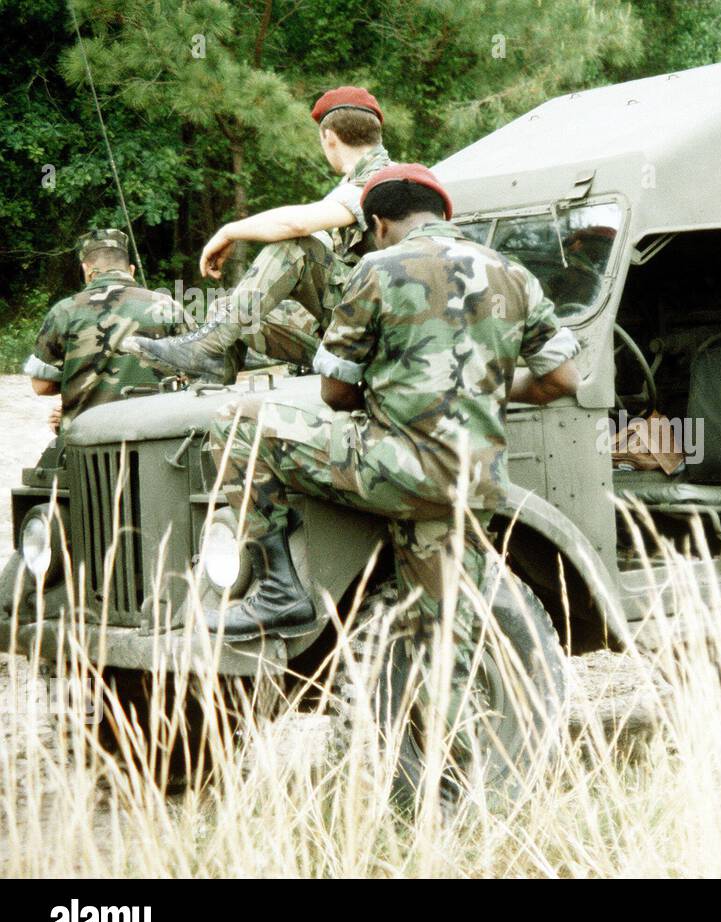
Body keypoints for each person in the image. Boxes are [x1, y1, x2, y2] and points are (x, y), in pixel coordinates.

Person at [206, 163, 580, 659]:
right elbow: (562, 379)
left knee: (234, 424)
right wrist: (476, 387)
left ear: (379, 225)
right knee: (444, 648)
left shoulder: (376, 269)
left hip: (395, 470)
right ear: (443, 213)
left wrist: (401, 394)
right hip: (475, 484)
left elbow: (335, 393)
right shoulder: (513, 274)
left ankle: (280, 591)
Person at [126, 86, 394, 381]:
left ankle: (207, 348)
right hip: (361, 323)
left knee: (294, 247)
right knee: (228, 310)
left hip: (380, 331)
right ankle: (213, 374)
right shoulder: (363, 182)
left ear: (328, 137)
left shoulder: (381, 179)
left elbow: (296, 226)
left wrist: (230, 231)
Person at [25, 229, 191, 431]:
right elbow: (202, 373)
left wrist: (77, 396)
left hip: (86, 442)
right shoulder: (168, 307)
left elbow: (41, 386)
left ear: (86, 270)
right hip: (155, 439)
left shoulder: (64, 312)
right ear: (131, 270)